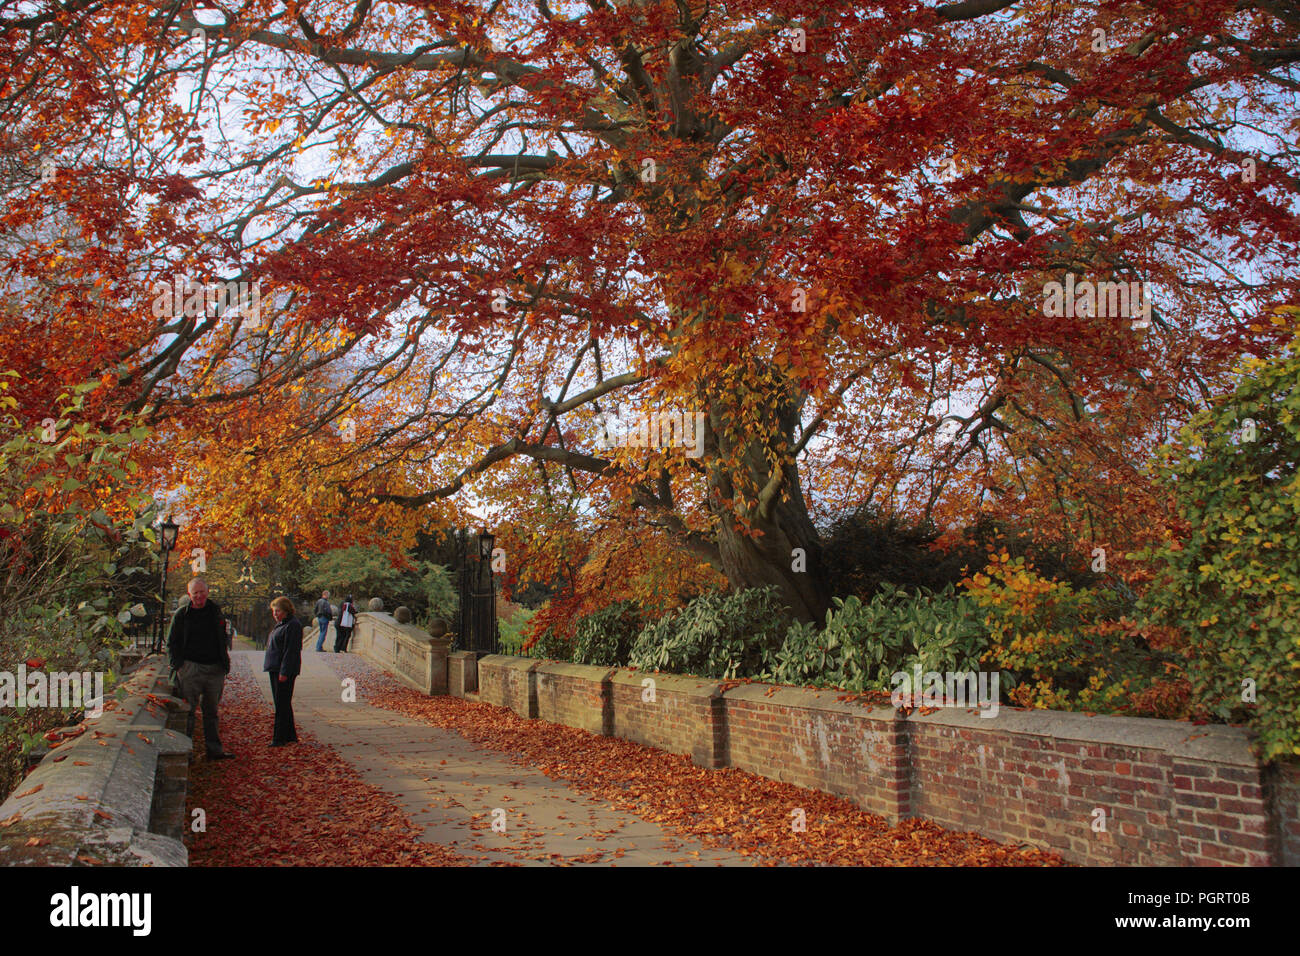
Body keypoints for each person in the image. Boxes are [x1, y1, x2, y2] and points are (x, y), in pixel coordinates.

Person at [168, 577, 234, 760]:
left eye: (202, 592)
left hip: (214, 669)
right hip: (191, 668)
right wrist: (178, 666)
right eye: (195, 593)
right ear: (190, 594)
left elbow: (222, 637)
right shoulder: (182, 614)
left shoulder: (215, 611)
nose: (199, 596)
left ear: (207, 592)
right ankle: (185, 751)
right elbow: (171, 642)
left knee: (211, 712)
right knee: (188, 711)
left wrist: (224, 664)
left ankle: (214, 750)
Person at [263, 596, 303, 746]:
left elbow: (291, 651)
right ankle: (290, 735)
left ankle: (279, 738)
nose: (275, 614)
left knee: (281, 704)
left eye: (277, 611)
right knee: (283, 703)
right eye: (274, 611)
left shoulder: (292, 625)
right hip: (276, 668)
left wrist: (284, 672)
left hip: (283, 670)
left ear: (286, 610)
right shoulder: (282, 624)